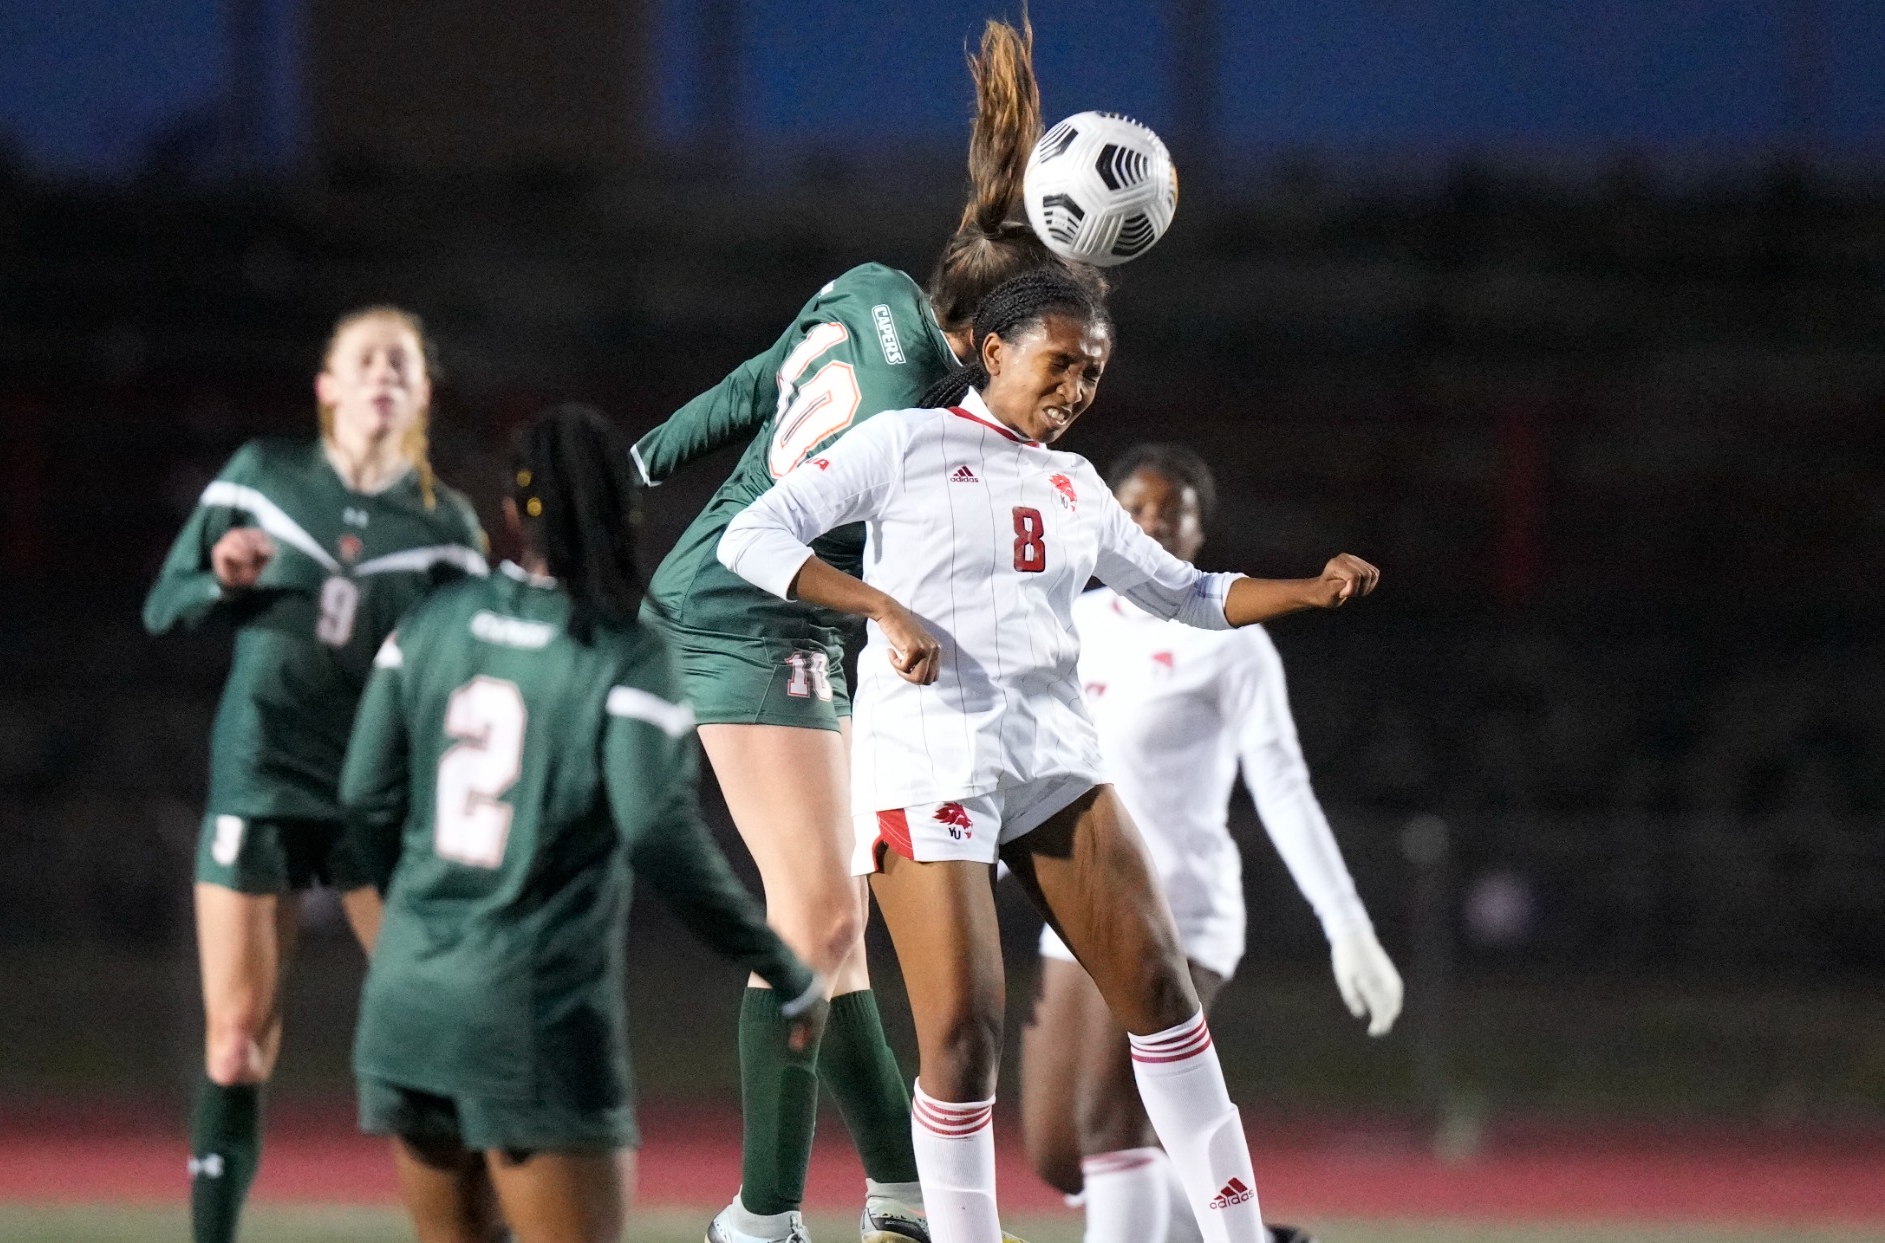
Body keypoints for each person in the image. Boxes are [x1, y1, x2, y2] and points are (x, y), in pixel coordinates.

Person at [715, 268, 1380, 1243]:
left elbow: (1185, 592)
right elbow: (750, 534)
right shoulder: (902, 444)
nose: (1075, 388)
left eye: (1092, 373)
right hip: (931, 763)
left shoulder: (1074, 484)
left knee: (1161, 994)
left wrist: (1306, 590)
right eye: (1059, 363)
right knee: (963, 1033)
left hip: (1052, 759)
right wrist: (879, 607)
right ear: (993, 351)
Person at [628, 17, 1101, 1243]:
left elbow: (754, 382)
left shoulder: (868, 288)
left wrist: (647, 457)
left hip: (765, 607)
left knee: (832, 931)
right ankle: (758, 1218)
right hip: (748, 614)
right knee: (815, 922)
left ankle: (897, 1188)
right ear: (987, 345)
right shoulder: (931, 421)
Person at [339, 404, 826, 1243]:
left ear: (509, 511)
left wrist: (415, 923)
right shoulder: (622, 652)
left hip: (410, 1002)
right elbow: (658, 832)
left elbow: (360, 797)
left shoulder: (430, 622)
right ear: (622, 510)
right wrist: (781, 964)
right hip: (531, 1010)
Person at [143, 306, 488, 1243]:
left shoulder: (446, 523)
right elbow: (166, 604)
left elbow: (471, 674)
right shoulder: (261, 476)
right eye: (365, 359)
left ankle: (471, 1226)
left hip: (375, 794)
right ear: (327, 385)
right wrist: (220, 577)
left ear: (423, 394)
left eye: (402, 364)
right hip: (259, 777)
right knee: (235, 1043)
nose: (384, 374)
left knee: (436, 1030)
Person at [1018, 444, 1404, 1243]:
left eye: (1174, 511)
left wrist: (1348, 924)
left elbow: (1283, 786)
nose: (1153, 522)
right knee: (1058, 1149)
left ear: (1201, 529)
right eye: (1135, 506)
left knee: (1112, 1123)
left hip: (1178, 907)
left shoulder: (1231, 639)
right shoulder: (1070, 618)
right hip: (1078, 896)